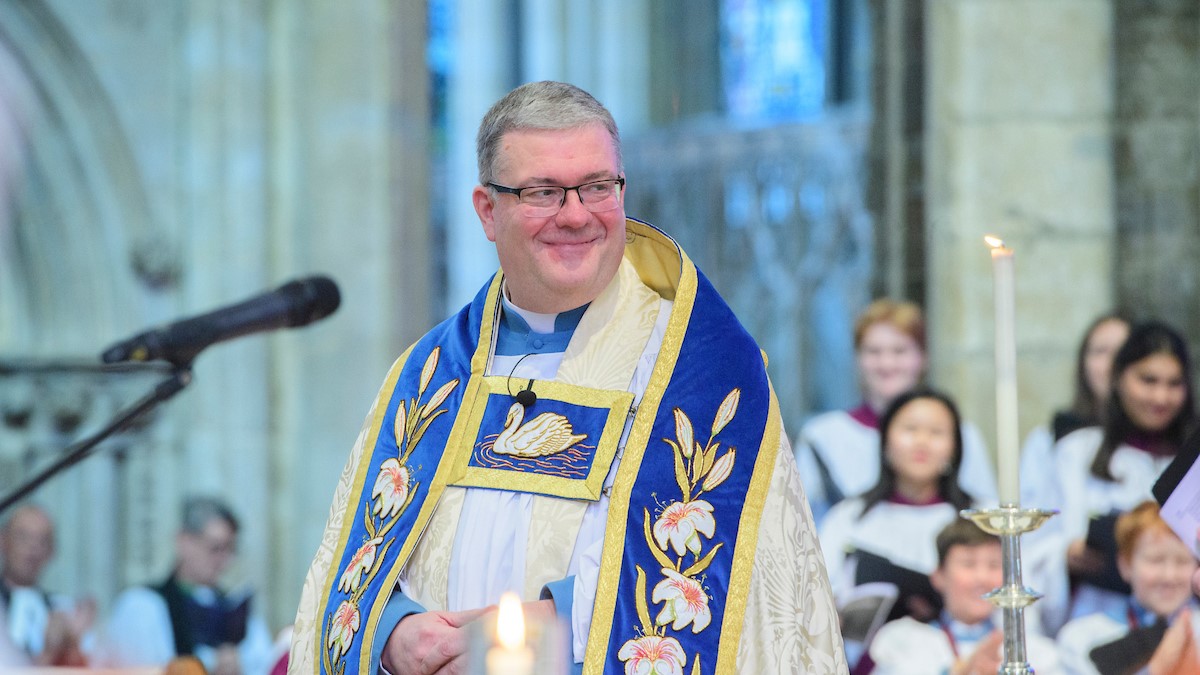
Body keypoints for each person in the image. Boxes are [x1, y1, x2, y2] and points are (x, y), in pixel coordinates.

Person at [289, 81, 847, 674]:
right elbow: (352, 562)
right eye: (544, 192)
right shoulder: (428, 375)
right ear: (487, 210)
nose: (577, 214)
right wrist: (391, 632)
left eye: (597, 187)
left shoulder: (703, 373)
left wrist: (557, 623)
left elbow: (752, 578)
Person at [794, 300, 997, 524]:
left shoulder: (958, 434)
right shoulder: (822, 436)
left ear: (923, 358)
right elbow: (799, 524)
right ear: (857, 358)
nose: (887, 363)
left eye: (900, 351)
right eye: (874, 351)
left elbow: (982, 516)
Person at [1054, 321, 1197, 624]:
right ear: (1119, 378)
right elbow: (1042, 544)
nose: (1161, 397)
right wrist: (1068, 554)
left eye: (1174, 384)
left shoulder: (1193, 459)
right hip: (1101, 617)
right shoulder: (1078, 451)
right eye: (1148, 380)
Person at [818, 389, 975, 630]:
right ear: (885, 441)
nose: (922, 442)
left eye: (936, 432)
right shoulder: (850, 516)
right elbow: (816, 593)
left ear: (955, 447)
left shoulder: (978, 517)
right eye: (910, 429)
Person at [99, 496, 273, 675]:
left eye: (230, 550)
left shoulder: (235, 609)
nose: (224, 561)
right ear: (183, 541)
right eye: (215, 548)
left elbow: (263, 663)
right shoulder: (142, 606)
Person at [868, 517, 1061, 674]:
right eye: (969, 564)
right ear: (939, 576)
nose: (982, 578)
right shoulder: (903, 640)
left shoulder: (1033, 651)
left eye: (994, 565)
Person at [1056, 501, 1200, 674]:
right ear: (1125, 564)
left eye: (1182, 561)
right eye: (1156, 560)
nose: (1169, 576)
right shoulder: (1082, 639)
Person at [1018, 313, 1130, 510]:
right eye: (1101, 351)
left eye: (1122, 351)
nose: (1112, 363)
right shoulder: (1049, 439)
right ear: (1083, 364)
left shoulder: (1161, 442)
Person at [0, 503, 93, 666]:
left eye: (42, 540)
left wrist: (72, 646)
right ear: (3, 541)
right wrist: (49, 651)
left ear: (52, 550)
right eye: (23, 537)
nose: (33, 547)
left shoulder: (63, 608)